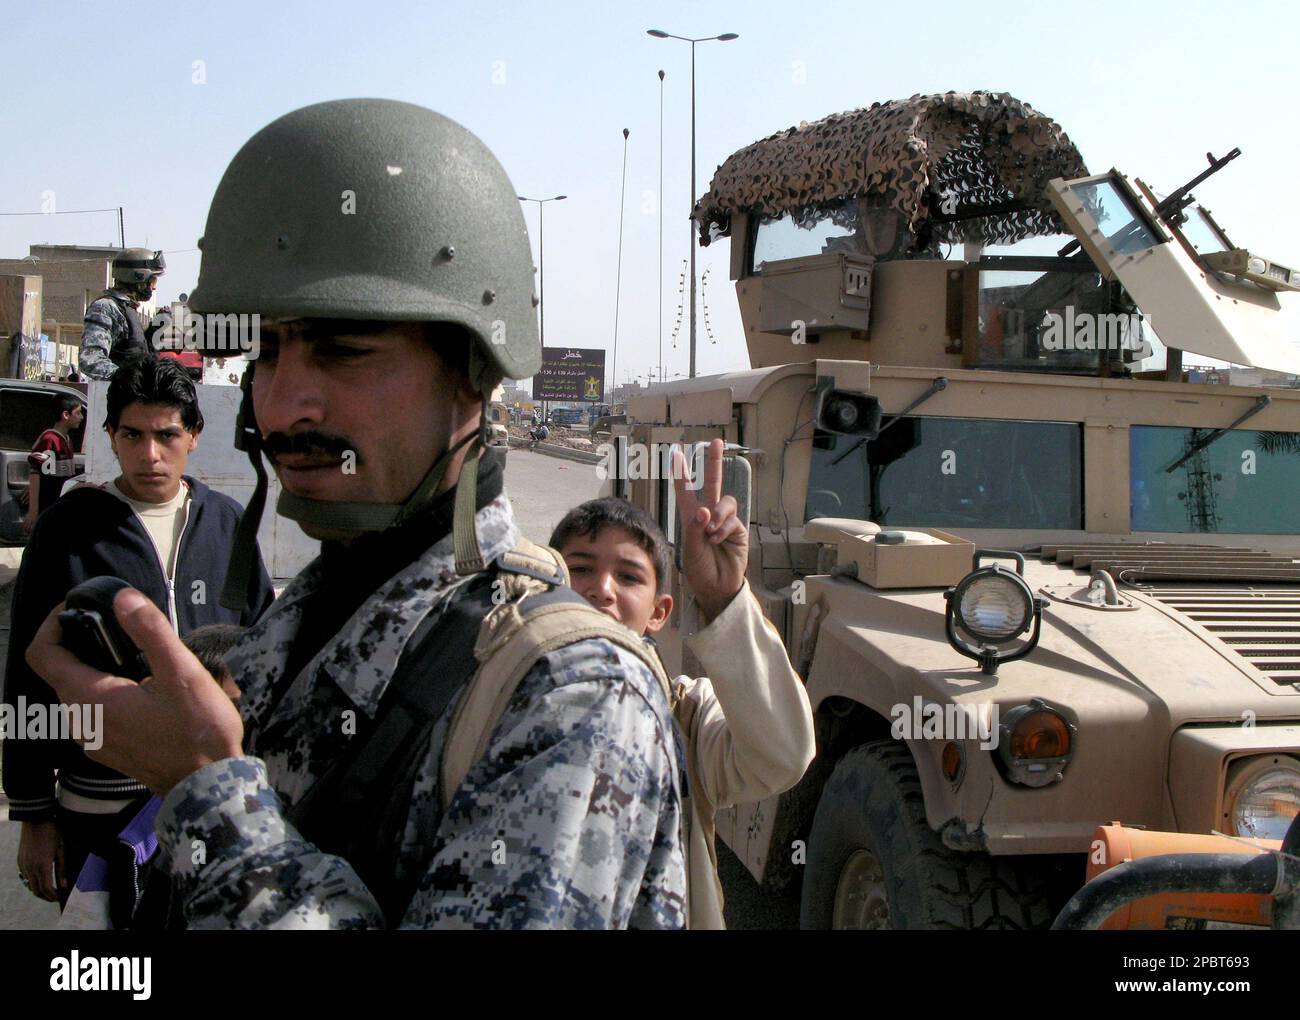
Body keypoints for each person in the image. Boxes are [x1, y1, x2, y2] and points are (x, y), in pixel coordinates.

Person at [26, 98, 687, 929]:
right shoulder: (305, 619)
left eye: (343, 349)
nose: (284, 398)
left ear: (470, 375)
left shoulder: (572, 694)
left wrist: (209, 791)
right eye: (268, 349)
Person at [5, 357, 274, 908]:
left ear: (194, 436)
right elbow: (27, 673)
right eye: (132, 435)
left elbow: (267, 655)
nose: (150, 454)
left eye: (166, 435)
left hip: (208, 804)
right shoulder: (70, 528)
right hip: (97, 807)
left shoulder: (227, 523)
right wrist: (33, 811)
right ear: (110, 435)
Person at [550, 440, 816, 928]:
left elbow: (784, 756)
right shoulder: (503, 696)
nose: (601, 589)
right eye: (581, 568)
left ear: (659, 613)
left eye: (628, 576)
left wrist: (724, 598)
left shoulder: (687, 718)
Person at [57, 624, 246, 931]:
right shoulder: (128, 842)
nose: (212, 734)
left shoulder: (287, 829)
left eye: (236, 711)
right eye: (193, 712)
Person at [79, 248, 166, 380]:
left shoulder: (127, 309)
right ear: (139, 277)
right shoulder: (105, 308)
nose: (154, 287)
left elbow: (132, 354)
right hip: (113, 397)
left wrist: (153, 335)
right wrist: (129, 380)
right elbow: (91, 359)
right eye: (152, 280)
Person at [23, 393, 84, 533]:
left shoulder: (66, 440)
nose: (81, 417)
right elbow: (36, 472)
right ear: (66, 415)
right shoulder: (49, 439)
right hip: (47, 508)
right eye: (78, 413)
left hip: (58, 506)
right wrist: (33, 511)